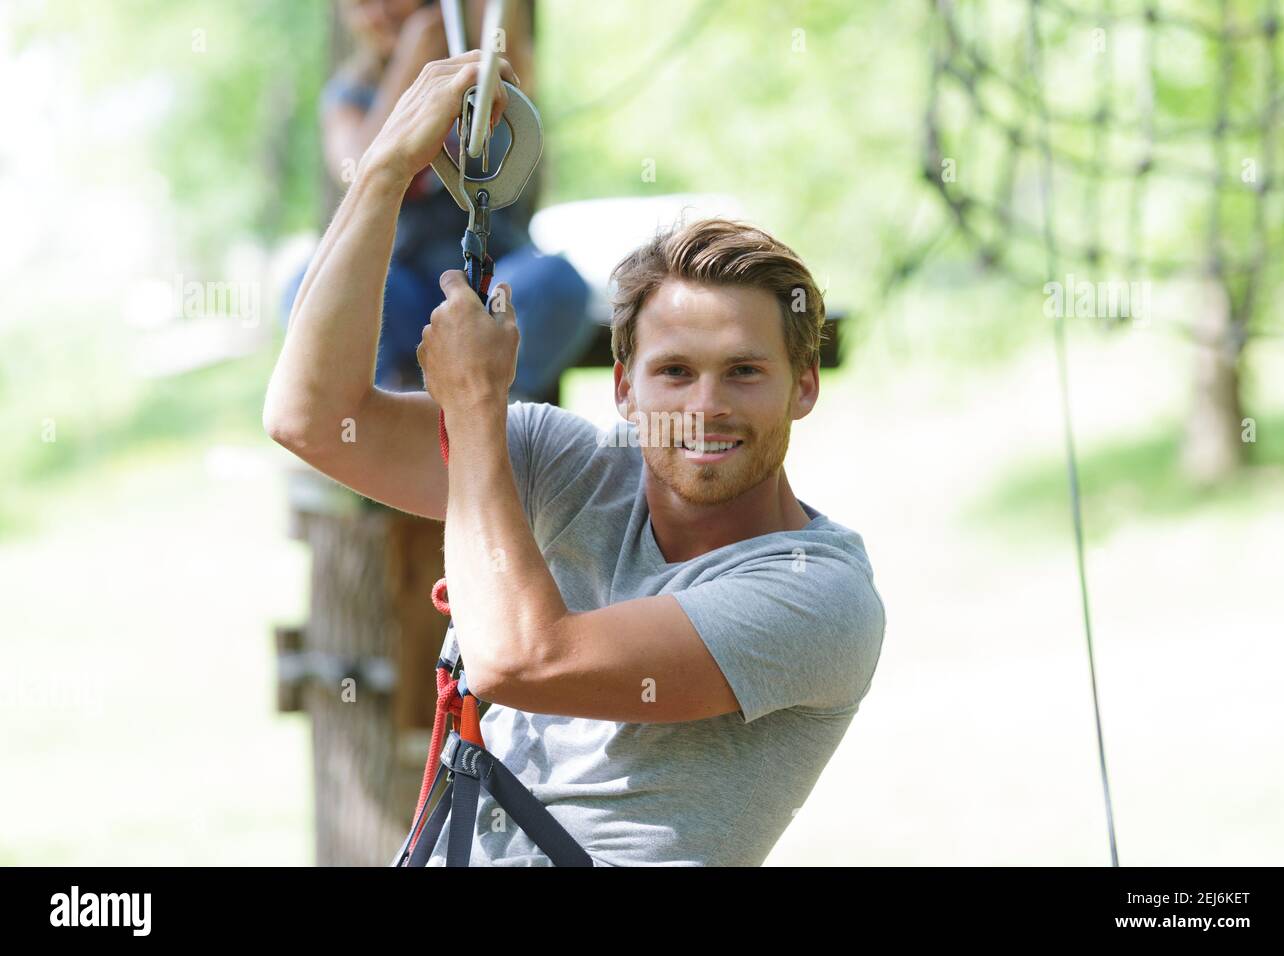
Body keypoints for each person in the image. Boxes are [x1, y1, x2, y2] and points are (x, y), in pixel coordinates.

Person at [264, 53, 887, 866]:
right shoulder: (565, 465)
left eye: (743, 371)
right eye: (674, 373)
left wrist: (475, 407)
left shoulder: (819, 594)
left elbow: (524, 658)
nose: (706, 408)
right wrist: (383, 170)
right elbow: (313, 418)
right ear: (624, 387)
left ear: (803, 385)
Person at [282, 0, 594, 399]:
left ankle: (489, 408)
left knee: (556, 281)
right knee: (305, 284)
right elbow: (359, 170)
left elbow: (501, 21)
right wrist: (410, 66)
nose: (378, 15)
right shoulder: (351, 92)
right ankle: (393, 411)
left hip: (494, 276)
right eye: (360, 6)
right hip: (400, 289)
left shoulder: (486, 64)